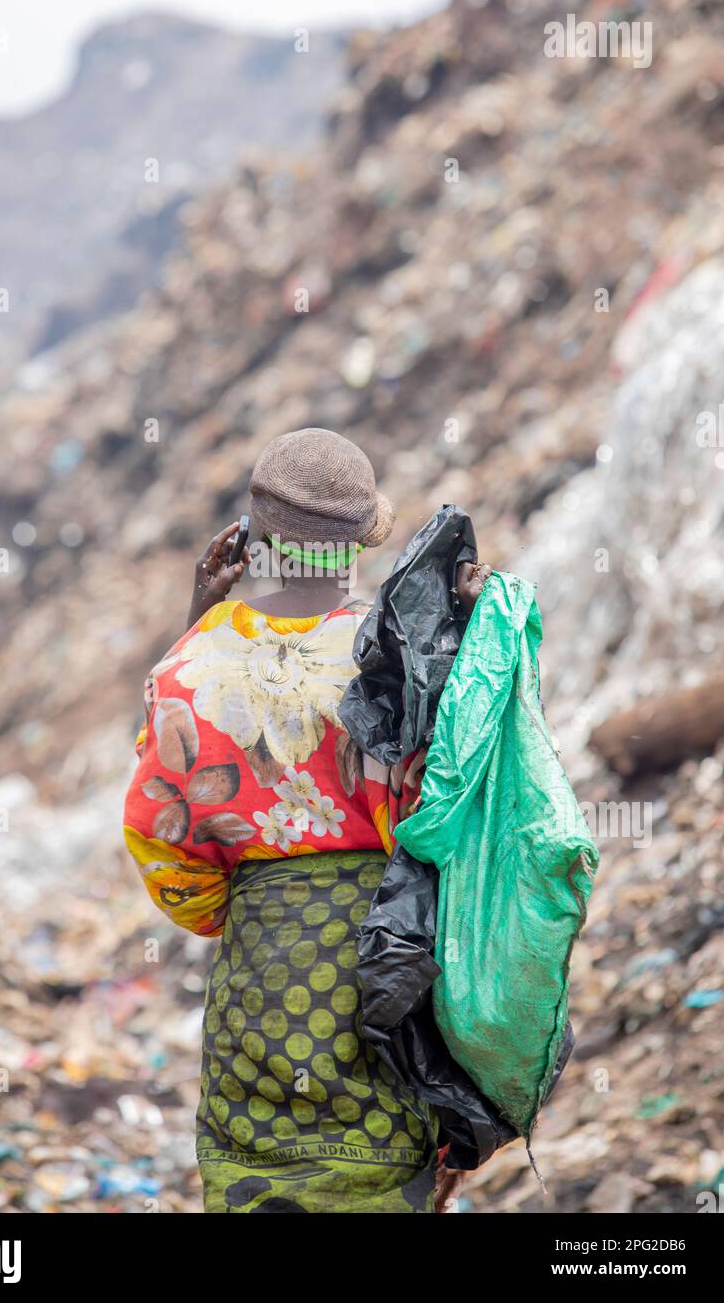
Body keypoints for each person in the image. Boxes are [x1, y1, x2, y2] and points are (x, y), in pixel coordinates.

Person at [123, 427, 489, 1213]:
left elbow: (163, 842)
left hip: (262, 985)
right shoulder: (400, 662)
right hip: (389, 969)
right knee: (386, 1169)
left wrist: (245, 905)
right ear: (363, 539)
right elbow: (463, 815)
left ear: (251, 537)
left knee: (262, 1174)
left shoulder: (187, 670)